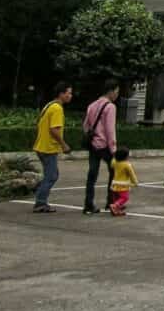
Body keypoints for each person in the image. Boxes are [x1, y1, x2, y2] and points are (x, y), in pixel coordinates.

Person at [31, 81, 72, 213]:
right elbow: (54, 130)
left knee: (51, 174)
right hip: (48, 147)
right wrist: (64, 144)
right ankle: (40, 202)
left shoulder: (49, 105)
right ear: (61, 94)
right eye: (69, 93)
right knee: (52, 176)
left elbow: (38, 122)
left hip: (41, 145)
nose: (70, 95)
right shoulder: (57, 108)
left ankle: (40, 197)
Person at [81, 81, 119, 215]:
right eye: (116, 91)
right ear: (110, 91)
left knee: (92, 174)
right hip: (105, 146)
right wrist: (113, 149)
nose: (117, 95)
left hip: (93, 145)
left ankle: (88, 204)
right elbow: (110, 130)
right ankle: (111, 202)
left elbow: (86, 126)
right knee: (114, 172)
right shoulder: (110, 107)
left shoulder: (92, 105)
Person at [108, 147, 139, 216]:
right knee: (124, 197)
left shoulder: (114, 162)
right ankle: (114, 206)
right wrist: (135, 182)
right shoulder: (127, 165)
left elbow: (112, 164)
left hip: (114, 184)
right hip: (123, 185)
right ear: (125, 156)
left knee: (117, 198)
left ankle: (117, 210)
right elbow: (132, 174)